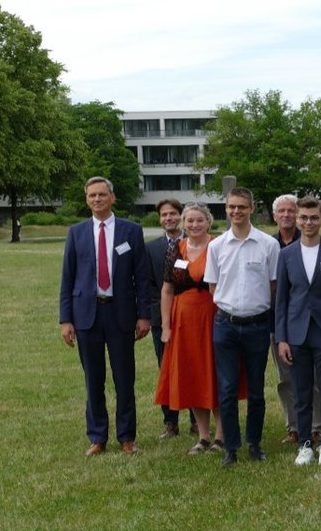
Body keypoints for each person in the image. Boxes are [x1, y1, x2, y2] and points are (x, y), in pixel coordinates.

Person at [59, 176, 152, 456]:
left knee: (124, 378)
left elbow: (143, 277)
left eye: (102, 195)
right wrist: (66, 319)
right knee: (93, 379)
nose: (97, 200)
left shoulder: (131, 231)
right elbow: (68, 277)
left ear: (112, 197)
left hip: (121, 314)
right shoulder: (76, 232)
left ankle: (127, 437)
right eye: (92, 196)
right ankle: (98, 437)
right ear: (86, 199)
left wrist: (144, 315)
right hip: (87, 315)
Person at [204, 186, 280, 466]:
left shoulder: (268, 245)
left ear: (252, 208)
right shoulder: (216, 246)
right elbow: (213, 287)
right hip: (225, 324)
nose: (236, 212)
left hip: (257, 326)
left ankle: (255, 443)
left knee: (257, 390)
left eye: (241, 207)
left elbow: (273, 286)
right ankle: (230, 447)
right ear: (226, 209)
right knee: (227, 389)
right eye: (231, 207)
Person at [275, 197, 321, 467]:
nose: (308, 222)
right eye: (303, 218)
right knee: (301, 390)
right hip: (295, 333)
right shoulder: (286, 254)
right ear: (297, 219)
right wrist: (281, 337)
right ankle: (305, 443)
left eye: (313, 217)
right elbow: (281, 300)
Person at [153, 202, 228, 454]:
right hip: (183, 321)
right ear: (184, 224)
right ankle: (203, 436)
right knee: (193, 375)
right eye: (190, 221)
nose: (194, 225)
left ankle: (221, 435)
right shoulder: (177, 248)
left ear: (208, 221)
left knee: (214, 375)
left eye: (199, 220)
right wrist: (166, 326)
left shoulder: (220, 245)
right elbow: (167, 289)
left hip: (212, 317)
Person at [270, 193, 321, 446]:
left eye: (292, 211)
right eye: (283, 211)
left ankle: (315, 427)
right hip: (282, 323)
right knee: (286, 378)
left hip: (313, 323)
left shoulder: (313, 240)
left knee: (314, 378)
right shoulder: (269, 246)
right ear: (275, 216)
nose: (287, 215)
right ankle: (293, 427)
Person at [145, 197, 188, 439]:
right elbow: (148, 284)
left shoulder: (194, 243)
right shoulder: (151, 248)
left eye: (172, 214)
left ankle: (196, 418)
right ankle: (170, 422)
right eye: (164, 215)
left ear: (180, 216)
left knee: (192, 365)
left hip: (189, 315)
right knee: (166, 369)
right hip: (161, 319)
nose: (168, 218)